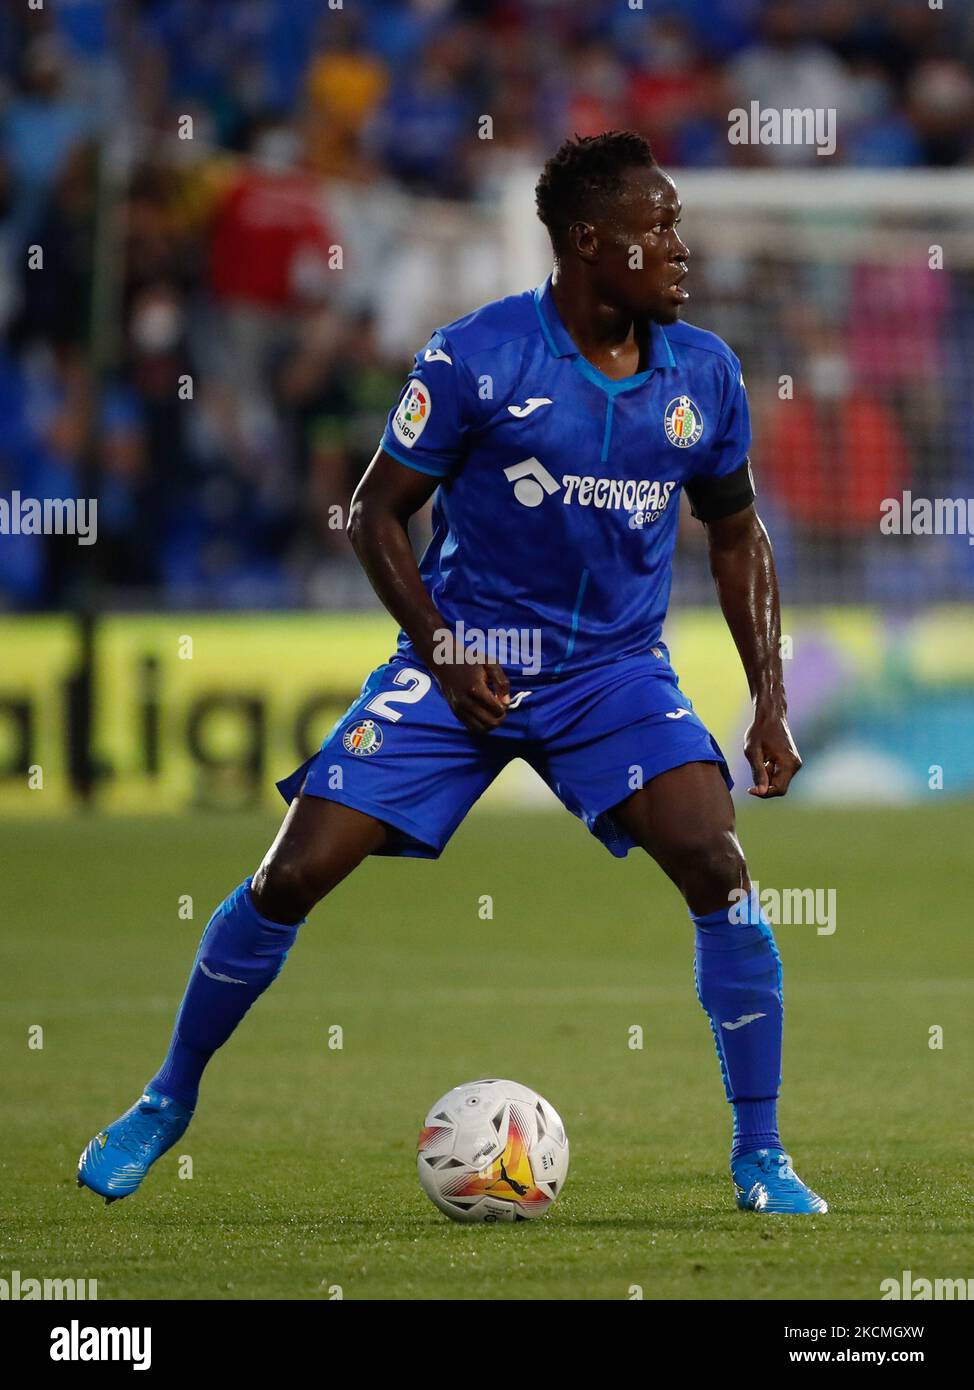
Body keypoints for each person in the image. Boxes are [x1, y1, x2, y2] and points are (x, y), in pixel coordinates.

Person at [78, 132, 827, 1216]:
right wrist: (438, 642)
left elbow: (733, 533)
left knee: (715, 859)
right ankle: (164, 1099)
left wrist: (768, 698)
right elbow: (374, 511)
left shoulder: (701, 372)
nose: (678, 247)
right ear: (586, 243)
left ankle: (758, 1155)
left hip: (611, 673)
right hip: (459, 659)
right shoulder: (475, 356)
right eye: (655, 227)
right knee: (292, 874)